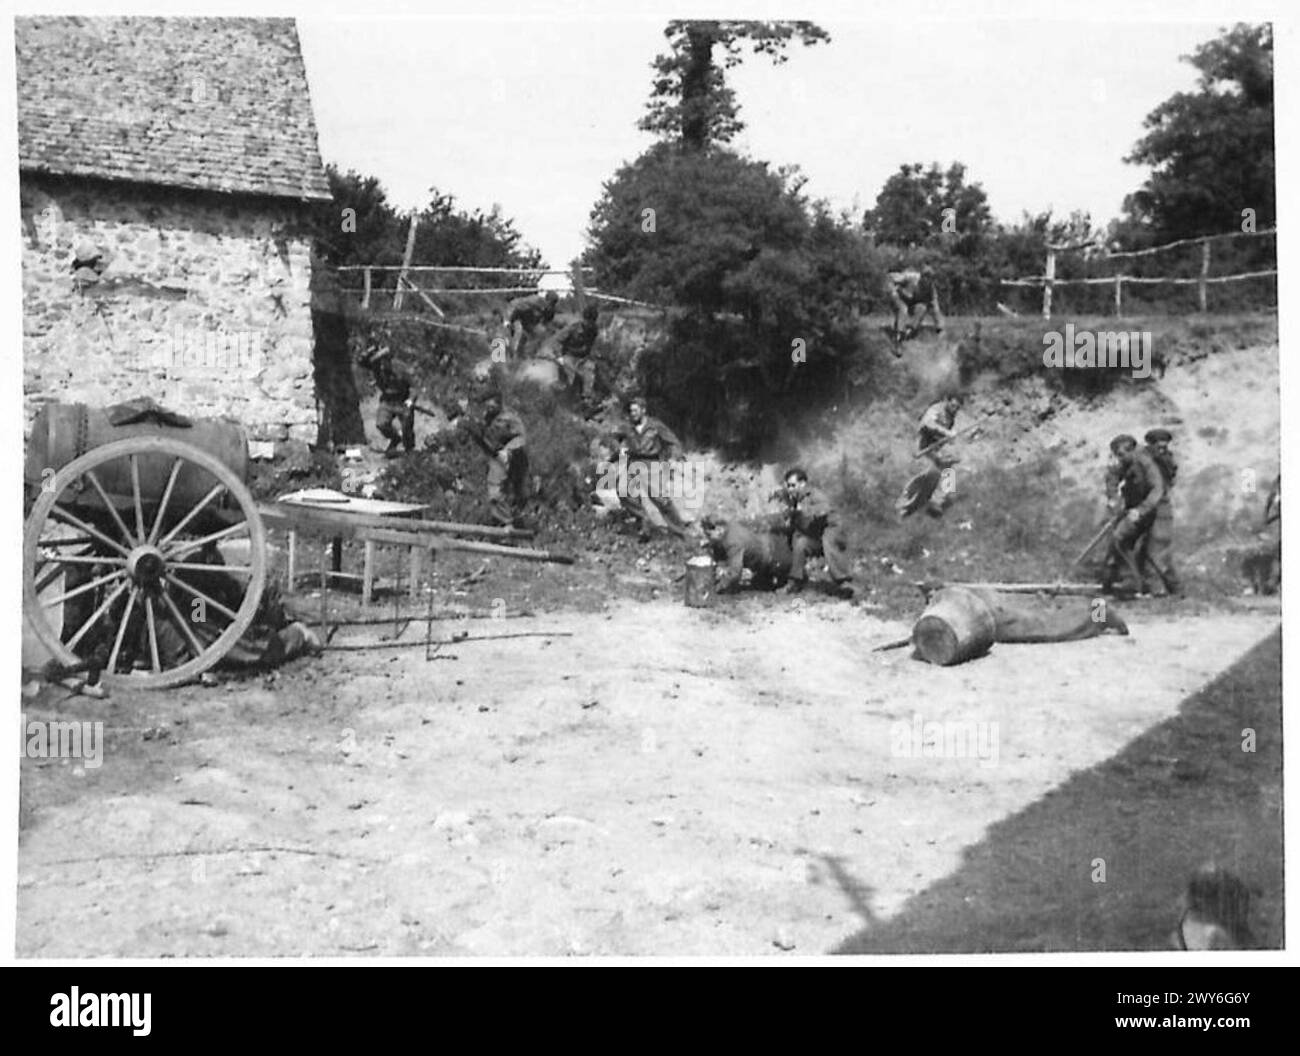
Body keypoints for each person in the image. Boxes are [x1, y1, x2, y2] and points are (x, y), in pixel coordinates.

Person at [1101, 434, 1167, 596]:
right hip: (1135, 510)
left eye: (1121, 454)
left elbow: (1157, 490)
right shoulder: (1125, 461)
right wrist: (1113, 498)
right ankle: (1129, 583)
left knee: (1147, 549)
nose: (1119, 458)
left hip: (1155, 510)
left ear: (1131, 451)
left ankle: (1155, 587)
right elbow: (1112, 476)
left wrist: (1140, 511)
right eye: (1117, 454)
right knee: (1120, 539)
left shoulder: (1145, 463)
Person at [775, 467, 855, 598]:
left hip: (832, 529)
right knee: (800, 543)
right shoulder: (794, 498)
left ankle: (844, 582)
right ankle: (796, 581)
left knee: (829, 542)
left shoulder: (815, 494)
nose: (790, 489)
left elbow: (825, 509)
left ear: (803, 484)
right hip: (816, 533)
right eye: (788, 486)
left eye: (793, 485)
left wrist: (805, 511)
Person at [620, 397, 689, 537]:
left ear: (643, 411)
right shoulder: (627, 427)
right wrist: (619, 451)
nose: (632, 414)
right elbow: (618, 441)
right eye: (631, 411)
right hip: (633, 463)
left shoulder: (655, 426)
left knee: (660, 499)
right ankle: (644, 521)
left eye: (635, 410)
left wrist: (674, 458)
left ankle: (680, 532)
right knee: (624, 492)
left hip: (652, 464)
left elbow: (673, 442)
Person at [470, 391, 529, 527]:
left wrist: (505, 452)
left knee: (500, 492)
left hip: (511, 454)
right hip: (501, 455)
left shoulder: (507, 419)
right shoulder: (491, 418)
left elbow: (518, 438)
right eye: (487, 405)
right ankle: (505, 523)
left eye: (492, 405)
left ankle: (509, 524)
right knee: (499, 493)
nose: (488, 409)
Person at [700, 514, 793, 593]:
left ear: (719, 530)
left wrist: (715, 589)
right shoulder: (729, 527)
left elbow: (735, 574)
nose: (708, 539)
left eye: (709, 535)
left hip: (775, 557)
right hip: (766, 546)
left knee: (777, 582)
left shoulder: (733, 542)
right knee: (759, 584)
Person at [1140, 428, 1181, 595]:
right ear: (1150, 445)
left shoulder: (1167, 459)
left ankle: (1170, 586)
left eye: (1165, 446)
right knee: (1140, 546)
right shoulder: (1141, 458)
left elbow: (1170, 478)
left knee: (1158, 547)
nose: (1162, 449)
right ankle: (1147, 586)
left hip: (1161, 506)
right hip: (1141, 505)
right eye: (1158, 446)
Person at [359, 344, 415, 458]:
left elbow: (414, 386)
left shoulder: (401, 368)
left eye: (385, 360)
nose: (383, 364)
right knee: (381, 424)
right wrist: (369, 351)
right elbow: (361, 362)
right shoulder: (377, 367)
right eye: (380, 360)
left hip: (402, 401)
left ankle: (409, 452)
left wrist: (411, 400)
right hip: (387, 401)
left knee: (407, 427)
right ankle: (395, 438)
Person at [914, 394, 962, 517]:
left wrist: (949, 438)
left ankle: (938, 501)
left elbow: (943, 436)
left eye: (957, 408)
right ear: (946, 400)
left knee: (949, 466)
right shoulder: (936, 409)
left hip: (934, 447)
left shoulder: (951, 416)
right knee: (937, 470)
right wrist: (946, 432)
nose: (954, 409)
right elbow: (928, 423)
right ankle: (931, 500)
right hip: (922, 446)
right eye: (952, 406)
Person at [885, 264, 943, 350]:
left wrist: (938, 325)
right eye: (925, 277)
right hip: (899, 298)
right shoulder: (911, 277)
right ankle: (898, 339)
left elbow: (935, 306)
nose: (927, 280)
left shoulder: (931, 289)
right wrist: (893, 291)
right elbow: (890, 278)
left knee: (922, 308)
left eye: (930, 278)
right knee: (903, 310)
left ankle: (909, 331)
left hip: (911, 302)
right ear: (921, 276)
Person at [552, 303, 600, 402]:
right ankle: (566, 397)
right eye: (588, 321)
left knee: (589, 371)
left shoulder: (594, 330)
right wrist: (559, 357)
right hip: (569, 355)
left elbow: (591, 346)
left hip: (583, 358)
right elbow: (557, 340)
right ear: (584, 319)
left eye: (592, 321)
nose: (589, 324)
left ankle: (586, 399)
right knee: (571, 373)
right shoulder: (573, 328)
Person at [505, 289, 559, 359]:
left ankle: (529, 354)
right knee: (519, 331)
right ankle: (512, 353)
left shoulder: (550, 311)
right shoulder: (533, 301)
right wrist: (509, 322)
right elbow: (516, 309)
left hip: (530, 320)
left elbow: (546, 323)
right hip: (517, 314)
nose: (550, 306)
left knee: (541, 332)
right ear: (546, 299)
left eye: (552, 304)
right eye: (549, 303)